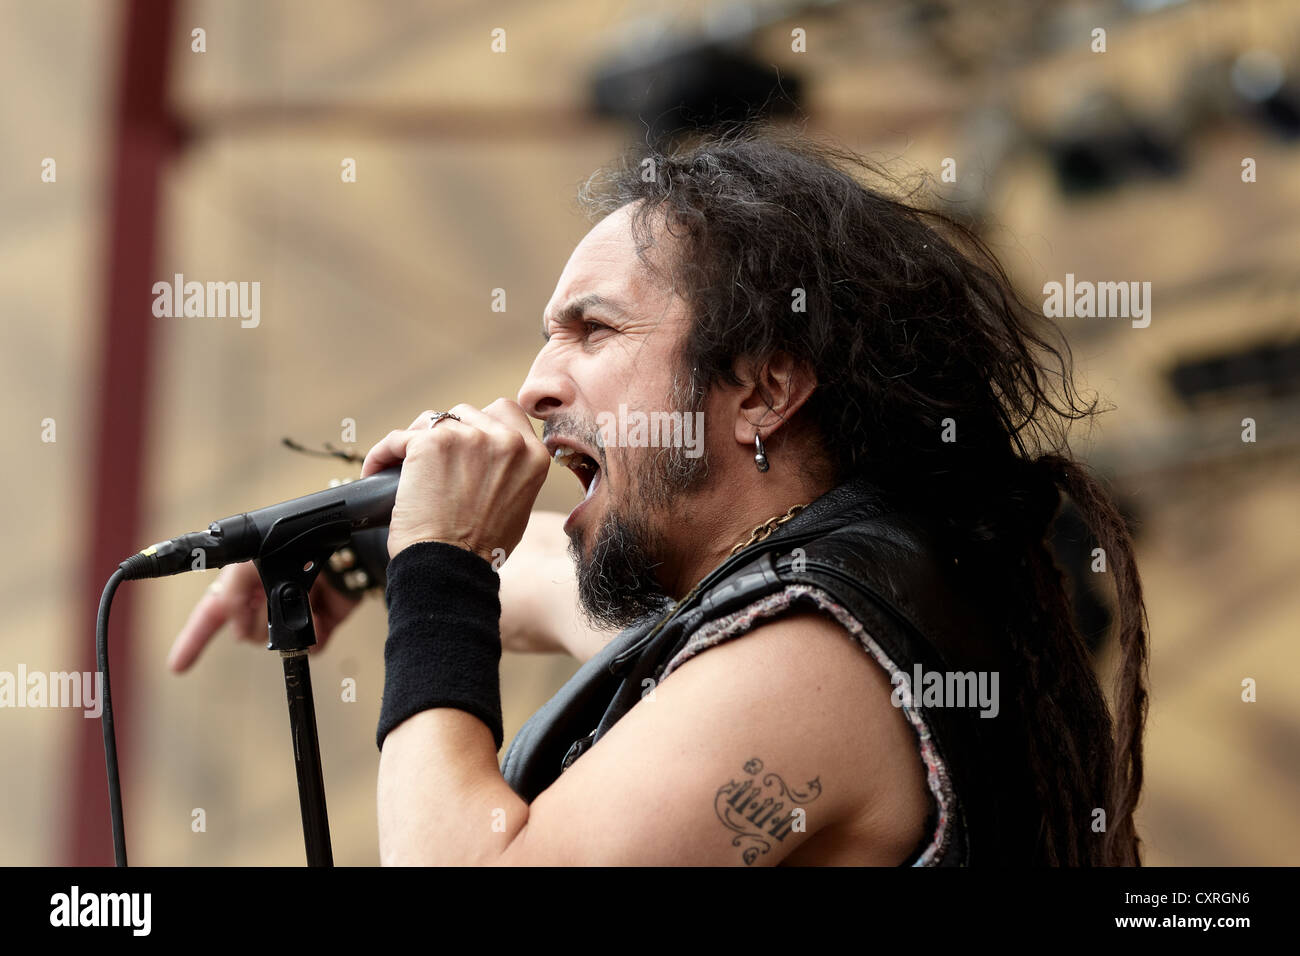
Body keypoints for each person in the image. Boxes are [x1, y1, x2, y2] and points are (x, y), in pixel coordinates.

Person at [167, 128, 1150, 866]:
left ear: (763, 388)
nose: (535, 386)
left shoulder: (815, 655)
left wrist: (437, 563)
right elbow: (552, 579)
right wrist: (372, 544)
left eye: (591, 332)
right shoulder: (812, 594)